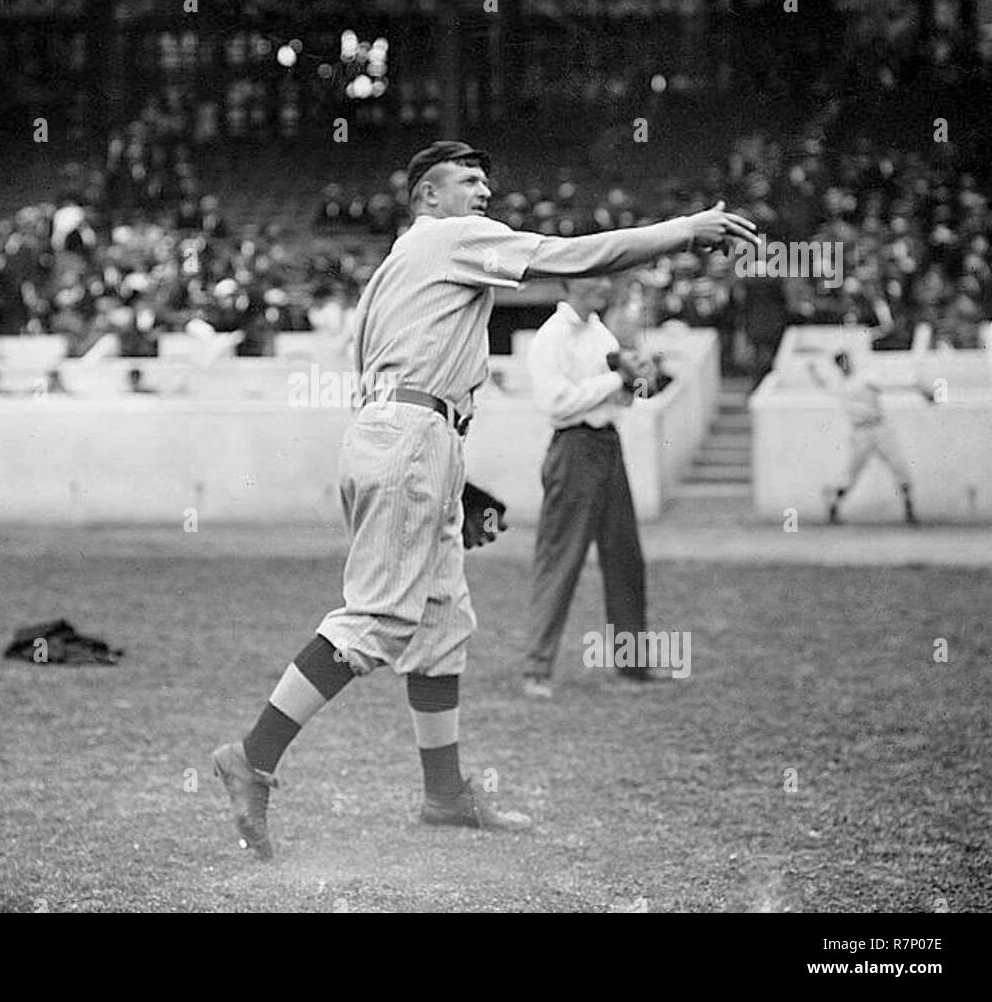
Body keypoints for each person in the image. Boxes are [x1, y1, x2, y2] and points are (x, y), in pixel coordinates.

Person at [211, 140, 760, 859]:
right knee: (377, 618)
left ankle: (444, 797)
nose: (484, 193)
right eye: (468, 181)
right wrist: (684, 229)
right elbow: (574, 256)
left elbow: (389, 380)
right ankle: (252, 757)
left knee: (441, 621)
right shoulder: (450, 235)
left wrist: (445, 472)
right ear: (427, 197)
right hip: (413, 433)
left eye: (486, 184)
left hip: (408, 430)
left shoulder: (395, 268)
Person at [522, 277, 660, 700]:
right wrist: (616, 381)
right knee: (561, 559)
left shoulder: (602, 333)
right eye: (593, 277)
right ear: (571, 283)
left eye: (606, 276)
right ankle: (536, 669)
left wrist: (638, 381)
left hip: (607, 446)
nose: (603, 284)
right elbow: (555, 402)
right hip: (573, 448)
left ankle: (632, 666)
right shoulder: (551, 337)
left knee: (625, 558)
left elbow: (624, 400)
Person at [808, 350, 924, 525]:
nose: (846, 365)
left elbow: (890, 385)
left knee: (899, 467)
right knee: (850, 473)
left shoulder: (866, 377)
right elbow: (823, 384)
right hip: (860, 433)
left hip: (880, 428)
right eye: (842, 363)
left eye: (847, 361)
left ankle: (910, 511)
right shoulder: (840, 384)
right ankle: (833, 507)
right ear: (838, 366)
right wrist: (812, 370)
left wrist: (918, 388)